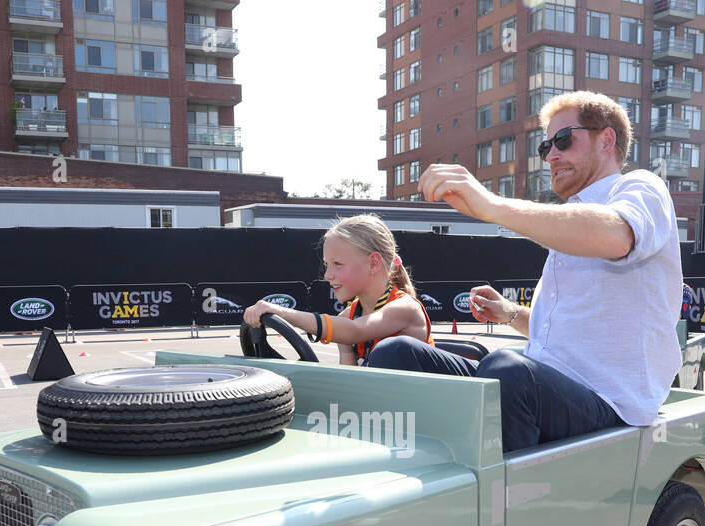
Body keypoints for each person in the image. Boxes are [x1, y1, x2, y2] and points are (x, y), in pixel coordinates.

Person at [365, 90, 682, 454]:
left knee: (508, 371)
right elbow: (564, 331)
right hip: (545, 387)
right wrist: (509, 313)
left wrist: (493, 205)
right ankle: (408, 479)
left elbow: (617, 234)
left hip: (609, 401)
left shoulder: (641, 187)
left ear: (606, 139)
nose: (553, 155)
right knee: (395, 353)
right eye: (546, 147)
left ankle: (501, 504)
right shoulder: (572, 222)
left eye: (564, 140)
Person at [242, 214, 433, 365]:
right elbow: (351, 385)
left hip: (421, 410)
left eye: (338, 264)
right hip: (385, 411)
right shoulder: (348, 318)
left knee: (390, 349)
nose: (327, 275)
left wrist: (280, 312)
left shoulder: (405, 307)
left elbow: (355, 331)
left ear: (373, 263)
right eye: (327, 265)